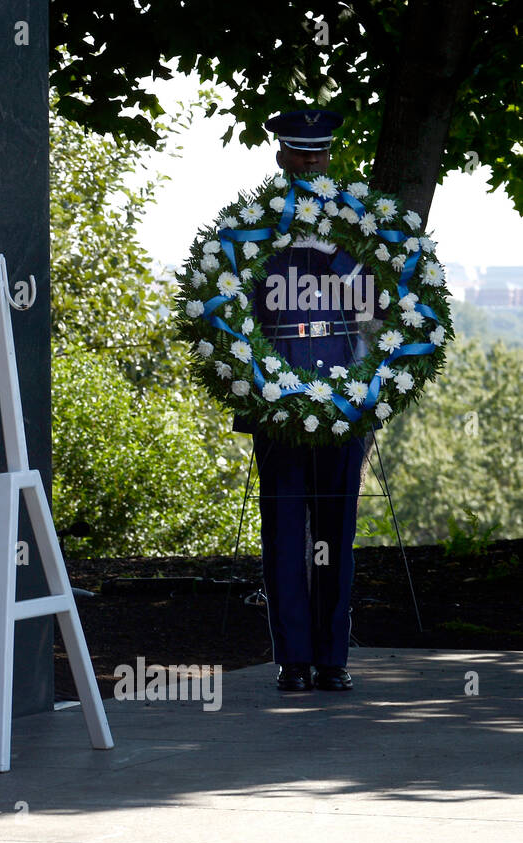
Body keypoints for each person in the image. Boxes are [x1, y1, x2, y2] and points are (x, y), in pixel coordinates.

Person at [241, 110, 368, 692]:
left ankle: (333, 659)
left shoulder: (356, 223)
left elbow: (378, 304)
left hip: (342, 402)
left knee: (336, 532)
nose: (311, 163)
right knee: (286, 532)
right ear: (281, 158)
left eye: (319, 155)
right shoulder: (251, 225)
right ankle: (293, 659)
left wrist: (335, 254)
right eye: (300, 154)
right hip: (278, 403)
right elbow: (229, 307)